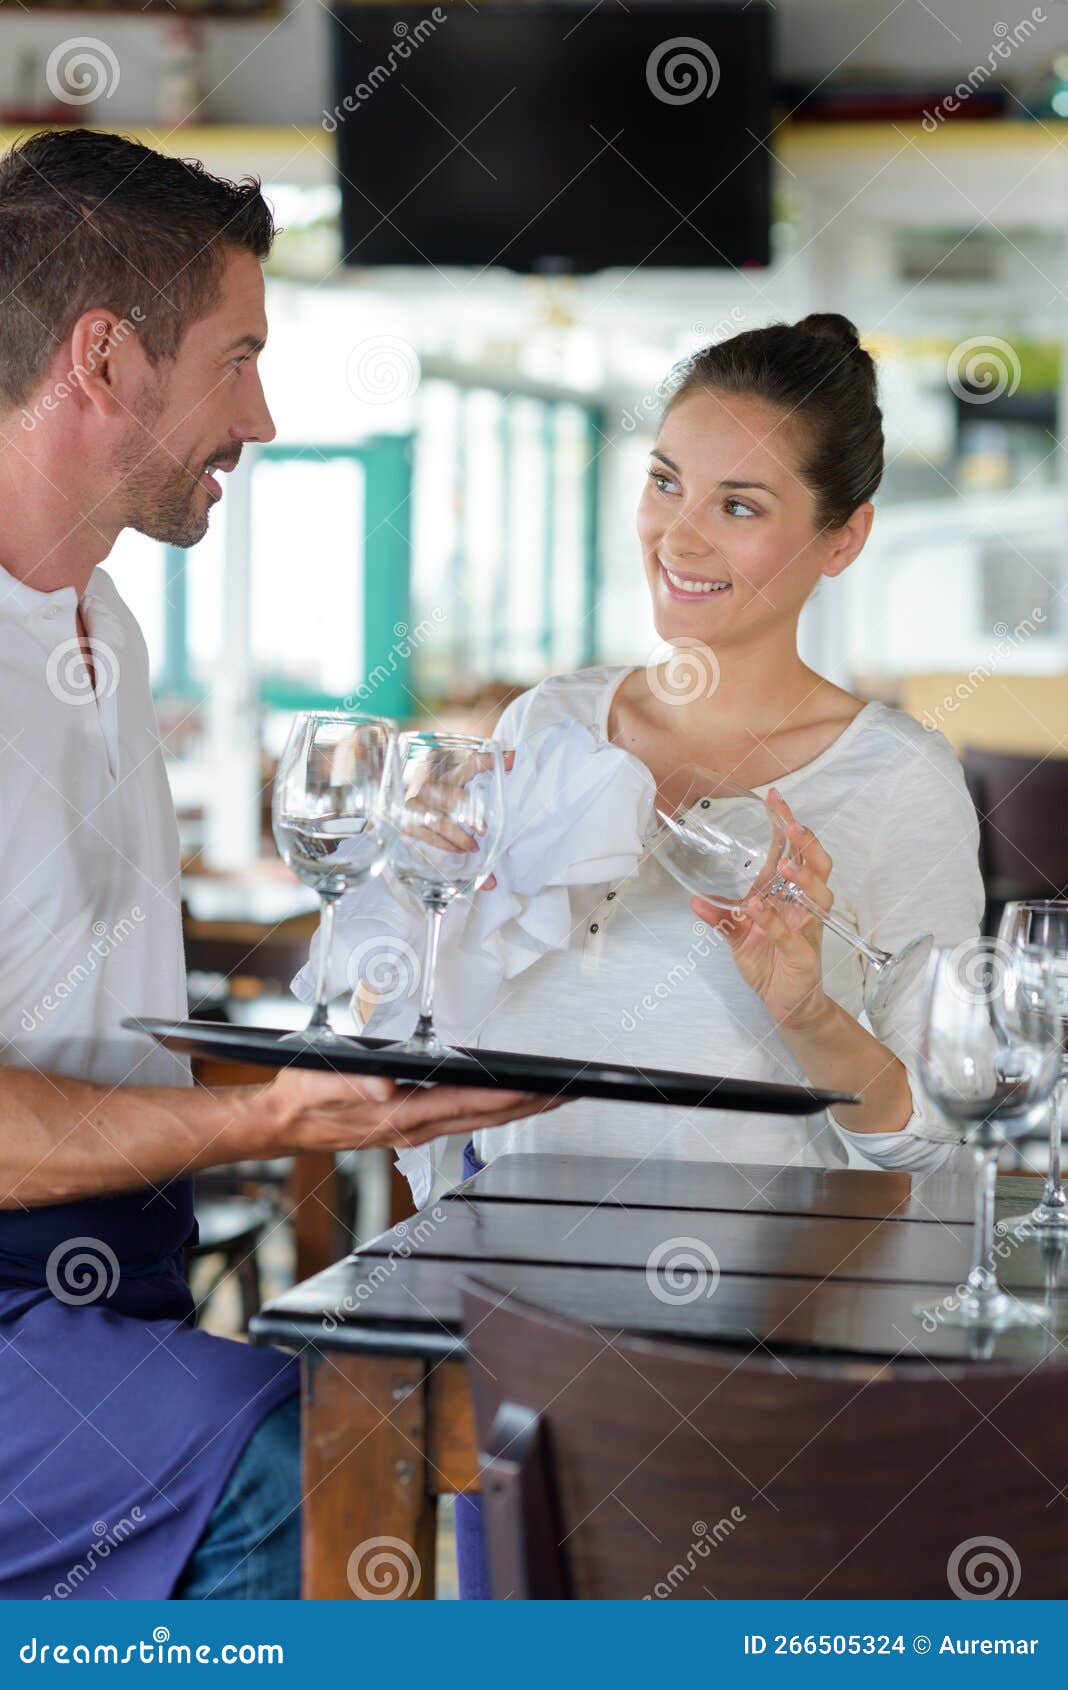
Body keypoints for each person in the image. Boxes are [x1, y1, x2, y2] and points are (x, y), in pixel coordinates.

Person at [0, 128, 554, 1601]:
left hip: (111, 1272)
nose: (262, 408)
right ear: (103, 357)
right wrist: (297, 1112)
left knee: (461, 1407)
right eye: (237, 354)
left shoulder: (97, 627)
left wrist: (355, 1066)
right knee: (276, 1454)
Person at [402, 316, 985, 1597]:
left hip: (770, 1371)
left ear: (845, 536)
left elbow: (944, 1154)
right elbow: (440, 1073)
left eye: (740, 503)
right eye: (666, 480)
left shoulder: (899, 782)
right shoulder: (550, 724)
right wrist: (421, 911)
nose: (680, 533)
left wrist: (808, 1007)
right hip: (516, 1338)